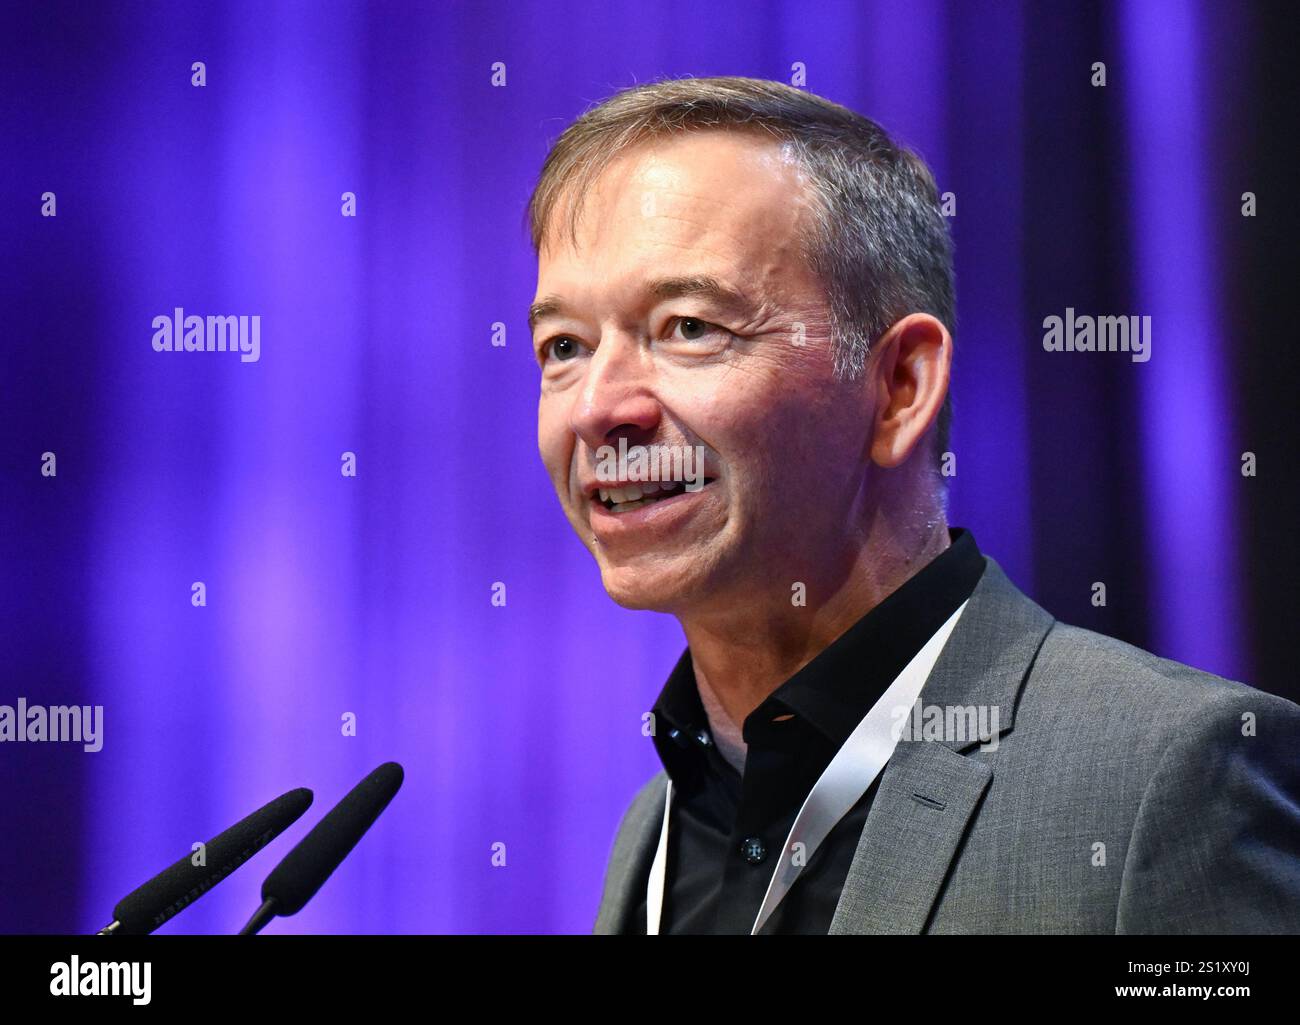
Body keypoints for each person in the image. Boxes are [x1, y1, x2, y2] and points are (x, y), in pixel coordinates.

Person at [525, 76, 1300, 934]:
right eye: (564, 346)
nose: (598, 406)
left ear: (899, 385)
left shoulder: (1168, 777)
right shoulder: (656, 826)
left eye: (689, 326)